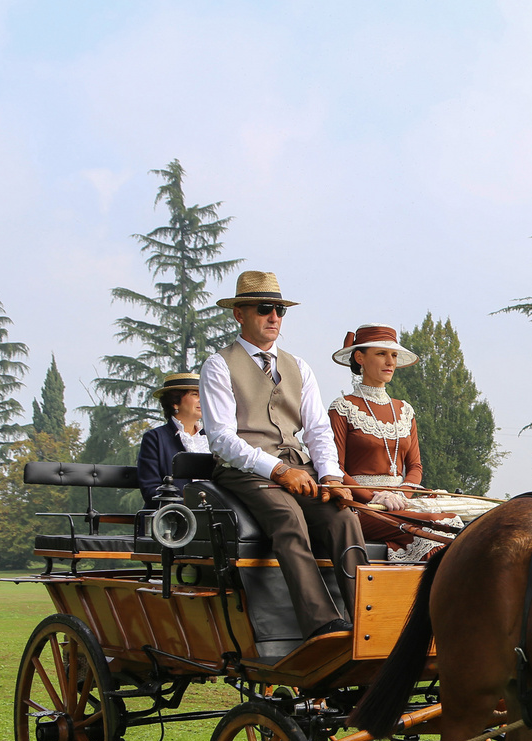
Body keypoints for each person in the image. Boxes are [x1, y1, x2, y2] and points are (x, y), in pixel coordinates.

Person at [198, 271, 363, 641]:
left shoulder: (298, 367)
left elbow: (318, 429)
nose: (275, 317)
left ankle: (366, 618)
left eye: (280, 310)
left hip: (298, 465)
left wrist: (332, 478)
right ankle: (322, 625)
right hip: (244, 470)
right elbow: (222, 439)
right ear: (239, 314)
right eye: (265, 309)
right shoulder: (218, 365)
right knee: (288, 518)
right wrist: (277, 471)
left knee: (344, 519)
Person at [328, 326, 462, 562]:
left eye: (394, 355)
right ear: (360, 358)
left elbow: (415, 467)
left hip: (401, 499)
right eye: (381, 354)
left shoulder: (405, 410)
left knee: (453, 522)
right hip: (359, 504)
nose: (390, 362)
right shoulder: (342, 407)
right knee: (430, 528)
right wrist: (373, 497)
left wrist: (402, 495)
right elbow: (335, 468)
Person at [136, 373, 209, 505]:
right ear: (175, 402)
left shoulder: (212, 439)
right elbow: (151, 490)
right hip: (171, 518)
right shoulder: (155, 439)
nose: (202, 400)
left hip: (213, 516)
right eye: (195, 394)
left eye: (203, 394)